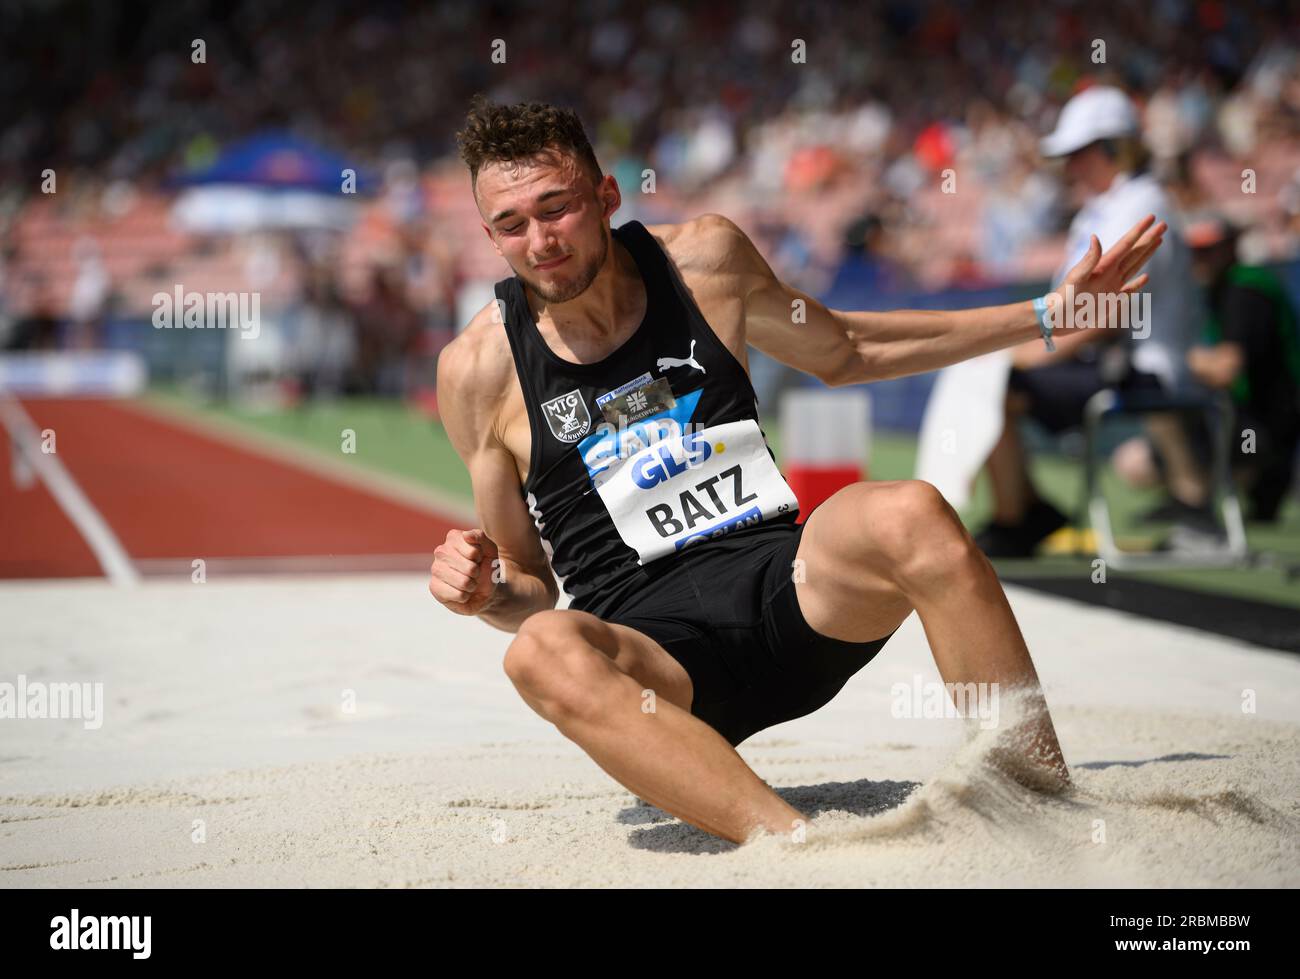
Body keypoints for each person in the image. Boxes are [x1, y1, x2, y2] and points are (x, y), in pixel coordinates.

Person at [429, 97, 1164, 845]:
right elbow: (528, 583)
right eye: (512, 225)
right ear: (489, 235)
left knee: (912, 509)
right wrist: (485, 588)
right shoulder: (478, 371)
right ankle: (801, 850)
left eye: (556, 209)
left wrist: (1045, 316)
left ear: (607, 197)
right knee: (538, 651)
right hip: (663, 668)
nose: (540, 240)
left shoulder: (705, 261)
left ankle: (1041, 799)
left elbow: (845, 348)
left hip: (792, 599)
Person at [973, 85, 1202, 557]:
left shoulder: (1141, 202)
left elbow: (1110, 312)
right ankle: (1024, 512)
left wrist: (1031, 353)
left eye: (1080, 153)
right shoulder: (1105, 208)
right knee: (987, 380)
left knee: (993, 383)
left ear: (1114, 148)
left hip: (1142, 367)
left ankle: (1023, 516)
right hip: (1112, 361)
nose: (1071, 166)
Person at [1115, 213, 1300, 522]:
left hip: (1262, 434)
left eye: (1209, 249)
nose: (1200, 259)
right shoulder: (1220, 288)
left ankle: (1194, 500)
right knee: (1134, 462)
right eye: (1195, 250)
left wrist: (1168, 355)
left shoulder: (1245, 288)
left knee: (1157, 398)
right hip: (1250, 425)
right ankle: (1189, 494)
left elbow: (1225, 369)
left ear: (1230, 247)